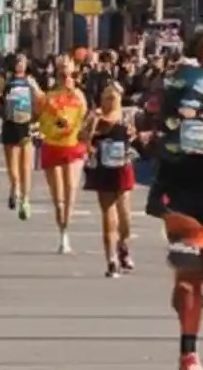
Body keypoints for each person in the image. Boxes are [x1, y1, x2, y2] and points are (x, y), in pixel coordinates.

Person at [148, 30, 203, 370]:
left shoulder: (169, 81)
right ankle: (189, 351)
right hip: (200, 178)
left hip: (182, 177)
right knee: (198, 277)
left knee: (191, 273)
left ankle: (186, 316)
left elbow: (159, 116)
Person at [81, 80, 136, 276]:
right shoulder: (96, 117)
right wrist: (92, 124)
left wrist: (135, 136)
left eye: (114, 97)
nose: (111, 100)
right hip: (103, 169)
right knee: (108, 216)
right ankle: (111, 258)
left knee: (125, 219)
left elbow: (134, 137)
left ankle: (122, 245)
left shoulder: (127, 116)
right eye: (107, 96)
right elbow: (82, 139)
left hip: (122, 168)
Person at [38, 55, 88, 252]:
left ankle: (66, 230)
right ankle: (62, 232)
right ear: (57, 76)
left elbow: (85, 121)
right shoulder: (49, 98)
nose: (67, 78)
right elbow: (41, 119)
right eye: (63, 74)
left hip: (73, 147)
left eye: (71, 75)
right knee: (58, 197)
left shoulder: (79, 96)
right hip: (53, 146)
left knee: (71, 190)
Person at [0, 53, 44, 220]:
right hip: (10, 125)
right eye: (18, 62)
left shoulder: (31, 82)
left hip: (26, 125)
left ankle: (25, 199)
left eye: (23, 62)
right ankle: (14, 187)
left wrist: (38, 120)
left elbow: (41, 100)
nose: (20, 65)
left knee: (26, 165)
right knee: (12, 165)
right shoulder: (6, 81)